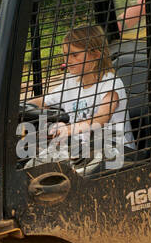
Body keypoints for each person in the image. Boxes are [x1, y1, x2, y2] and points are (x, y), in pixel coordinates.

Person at [26, 24, 134, 166]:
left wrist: (68, 129)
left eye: (74, 55)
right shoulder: (71, 82)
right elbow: (44, 101)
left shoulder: (110, 83)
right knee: (34, 165)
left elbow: (101, 119)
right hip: (83, 149)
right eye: (66, 55)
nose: (68, 60)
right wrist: (21, 107)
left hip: (115, 150)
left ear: (96, 54)